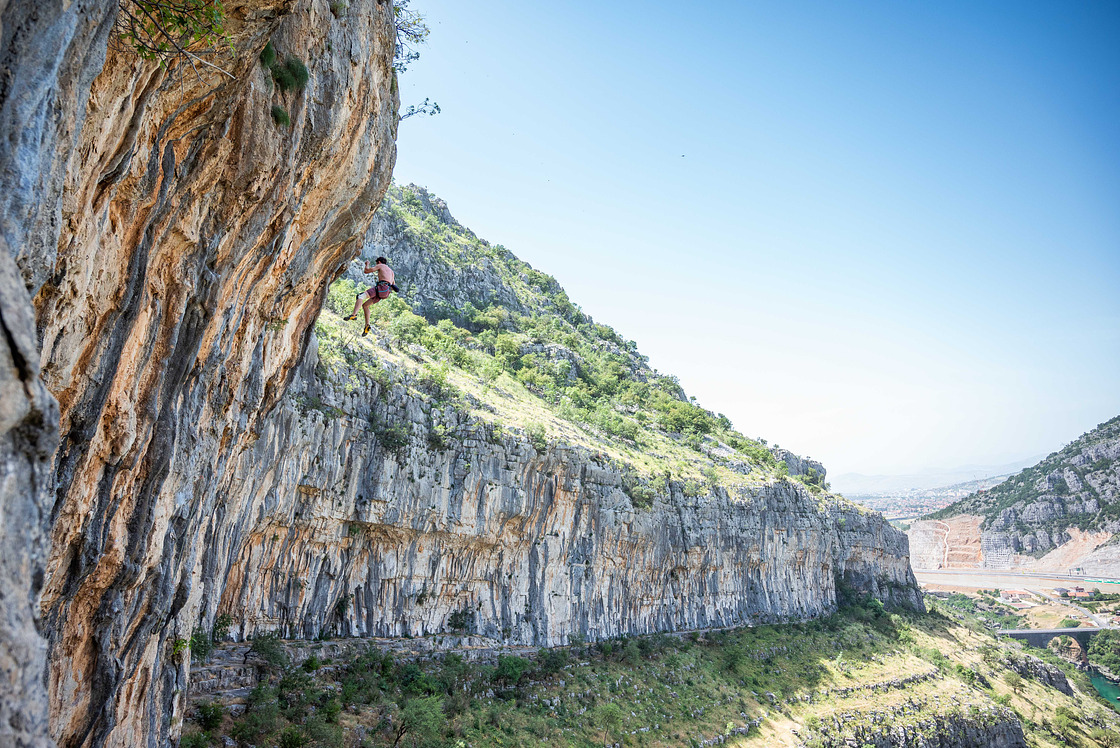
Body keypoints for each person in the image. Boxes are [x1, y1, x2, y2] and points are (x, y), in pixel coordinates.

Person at [344, 256, 398, 335]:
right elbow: (393, 285)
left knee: (360, 296)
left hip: (381, 287)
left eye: (376, 263)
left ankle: (353, 315)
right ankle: (367, 326)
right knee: (365, 306)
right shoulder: (391, 272)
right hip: (385, 292)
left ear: (379, 262)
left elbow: (366, 271)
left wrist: (367, 264)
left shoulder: (380, 266)